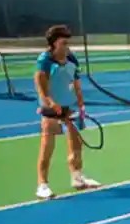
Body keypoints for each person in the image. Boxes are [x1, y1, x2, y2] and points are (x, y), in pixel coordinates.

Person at [34, 24, 100, 200]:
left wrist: (81, 105)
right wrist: (51, 103)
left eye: (67, 43)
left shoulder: (71, 58)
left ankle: (77, 178)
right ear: (54, 44)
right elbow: (41, 87)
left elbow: (76, 84)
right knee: (48, 147)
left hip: (69, 108)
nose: (66, 46)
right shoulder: (45, 61)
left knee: (76, 144)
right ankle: (42, 185)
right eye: (63, 43)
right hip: (50, 109)